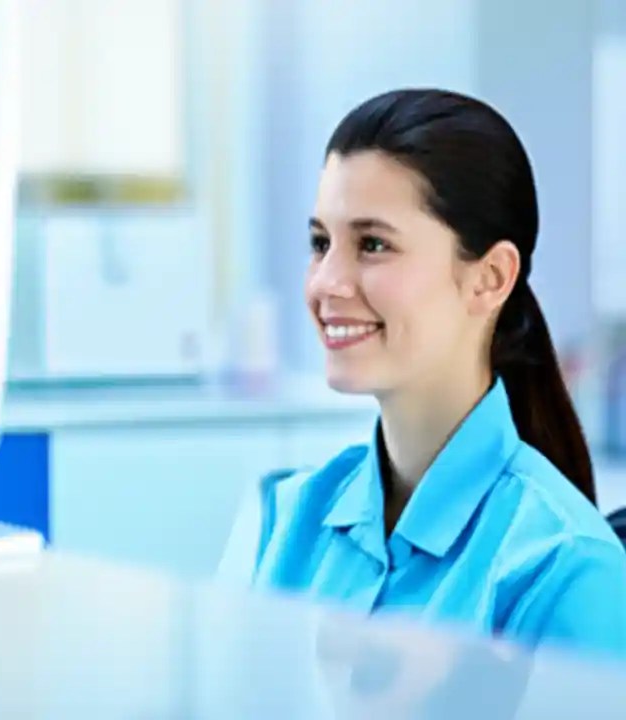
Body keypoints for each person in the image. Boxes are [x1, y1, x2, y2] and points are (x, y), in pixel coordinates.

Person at [218, 88, 626, 659]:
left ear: (489, 279)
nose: (326, 284)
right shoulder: (278, 520)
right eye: (320, 242)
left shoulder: (566, 567)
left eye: (373, 244)